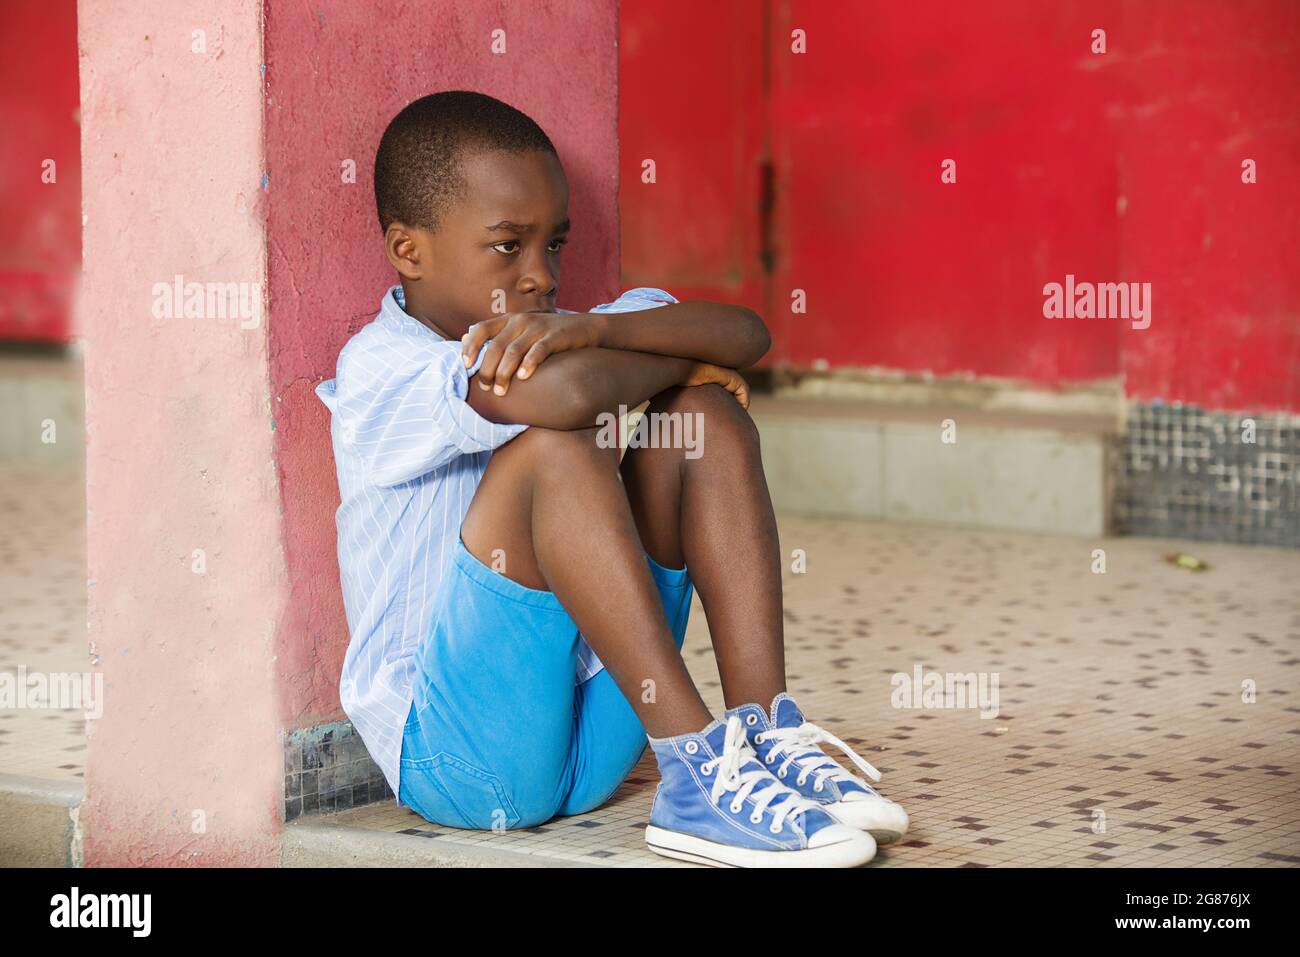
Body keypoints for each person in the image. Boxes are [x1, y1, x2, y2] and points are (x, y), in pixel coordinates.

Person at [315, 90, 908, 867]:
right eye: (507, 246)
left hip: (598, 731)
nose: (539, 277)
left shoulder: (568, 330)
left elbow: (746, 334)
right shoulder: (381, 368)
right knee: (556, 447)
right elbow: (562, 398)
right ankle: (696, 764)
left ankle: (764, 736)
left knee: (701, 417)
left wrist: (602, 330)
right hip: (461, 760)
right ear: (409, 249)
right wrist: (668, 357)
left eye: (553, 245)